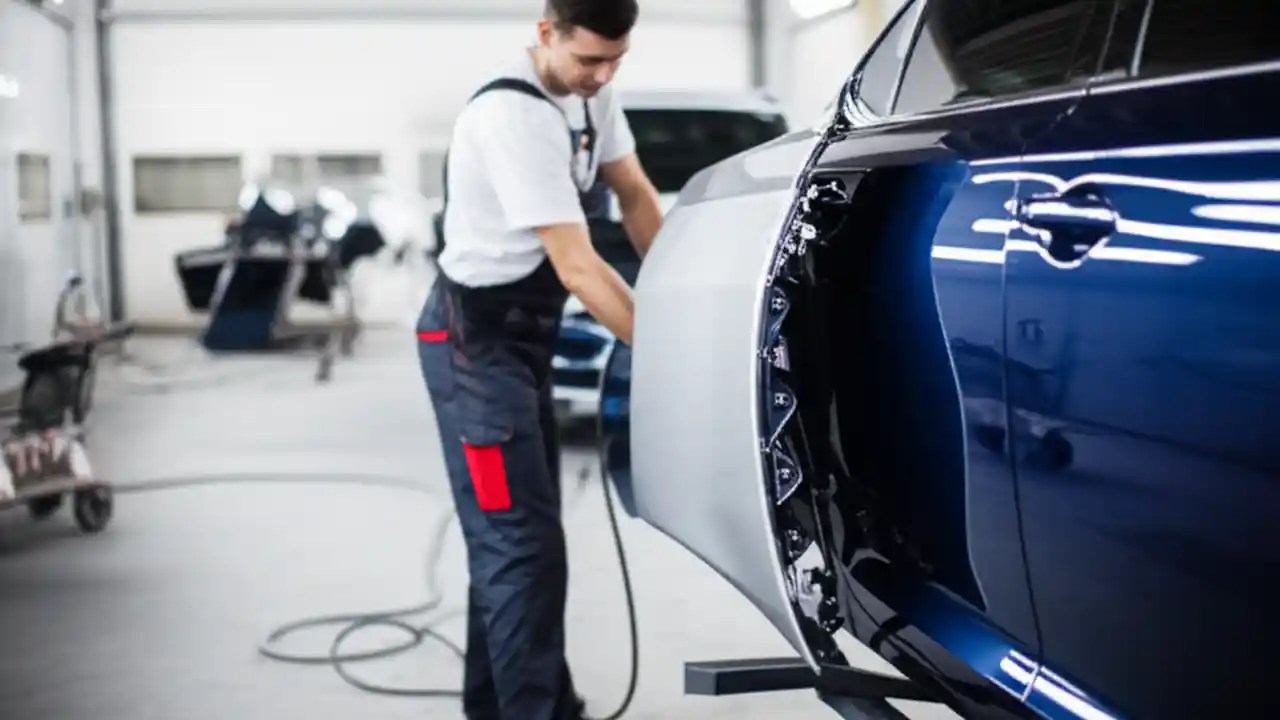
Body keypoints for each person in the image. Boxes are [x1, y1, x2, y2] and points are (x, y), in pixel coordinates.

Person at [415, 1, 662, 718]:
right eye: (589, 60)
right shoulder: (511, 116)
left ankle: (503, 706)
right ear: (545, 31)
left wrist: (683, 293)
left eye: (617, 59)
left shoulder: (593, 93)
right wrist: (674, 355)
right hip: (473, 345)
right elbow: (581, 267)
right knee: (520, 546)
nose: (603, 74)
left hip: (524, 338)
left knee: (517, 540)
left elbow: (638, 196)